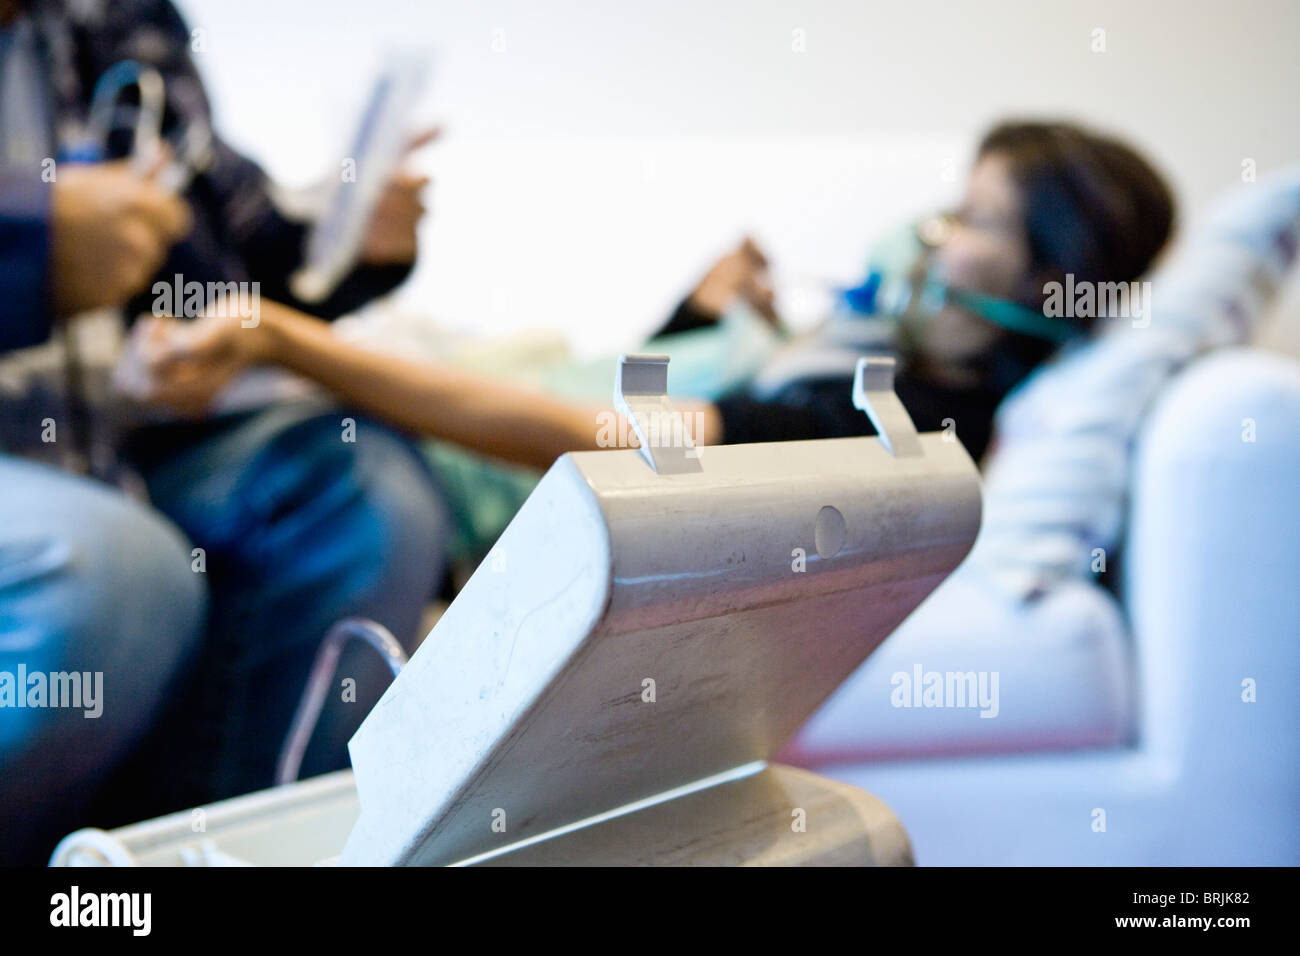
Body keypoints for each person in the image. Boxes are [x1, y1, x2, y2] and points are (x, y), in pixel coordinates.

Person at [0, 0, 446, 863]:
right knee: (114, 571)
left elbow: (228, 244)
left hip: (109, 459)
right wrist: (25, 247)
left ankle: (196, 857)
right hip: (77, 506)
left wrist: (347, 238)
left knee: (360, 491)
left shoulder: (118, 21)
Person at [136, 121, 1176, 473]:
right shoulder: (865, 365)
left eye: (976, 219)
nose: (933, 234)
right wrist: (704, 309)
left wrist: (290, 338)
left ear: (1049, 276)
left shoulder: (884, 419)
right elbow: (647, 391)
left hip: (459, 460)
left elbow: (590, 432)